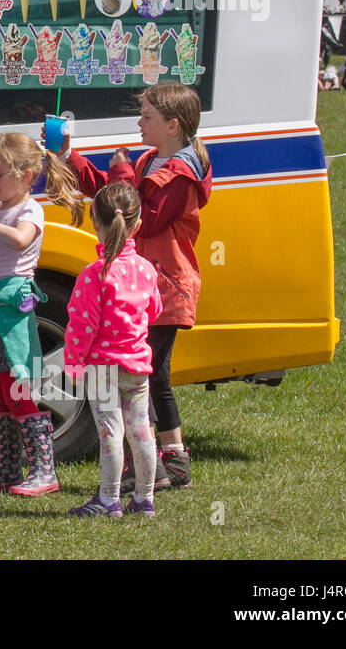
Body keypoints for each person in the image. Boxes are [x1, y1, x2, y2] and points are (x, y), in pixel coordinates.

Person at [60, 82, 211, 492]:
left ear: (173, 126)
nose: (139, 122)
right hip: (148, 287)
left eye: (146, 116)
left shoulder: (180, 173)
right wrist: (68, 157)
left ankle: (148, 467)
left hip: (165, 287)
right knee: (156, 374)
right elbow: (115, 199)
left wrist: (124, 173)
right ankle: (171, 462)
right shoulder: (150, 161)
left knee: (140, 374)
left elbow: (147, 215)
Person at [0, 132, 85, 496]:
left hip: (11, 311)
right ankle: (7, 469)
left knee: (19, 388)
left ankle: (44, 471)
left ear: (25, 176)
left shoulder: (28, 210)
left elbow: (21, 240)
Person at [63, 182, 162, 518]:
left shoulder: (94, 275)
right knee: (140, 431)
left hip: (102, 369)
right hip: (136, 366)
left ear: (96, 224)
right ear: (137, 225)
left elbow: (82, 326)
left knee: (111, 433)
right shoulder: (146, 270)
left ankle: (108, 500)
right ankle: (144, 499)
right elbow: (155, 311)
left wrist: (74, 363)